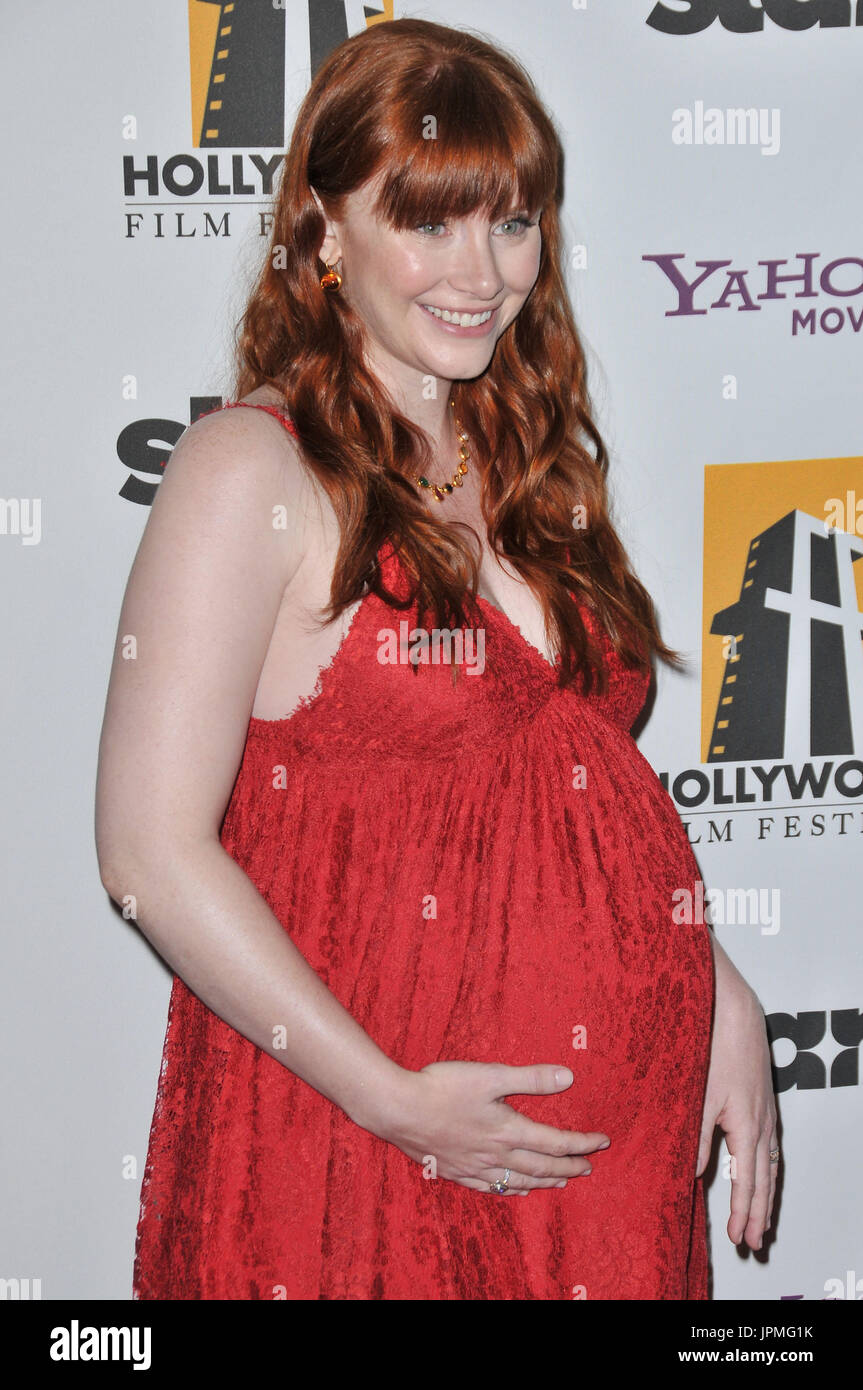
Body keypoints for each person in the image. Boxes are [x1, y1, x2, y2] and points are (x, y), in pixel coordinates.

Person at [95, 17, 778, 1300]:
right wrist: (397, 1103)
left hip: (594, 1173)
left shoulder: (521, 453)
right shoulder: (251, 469)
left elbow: (570, 787)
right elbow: (146, 852)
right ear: (321, 235)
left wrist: (713, 983)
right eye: (428, 221)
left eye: (510, 223)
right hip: (372, 1144)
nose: (482, 271)